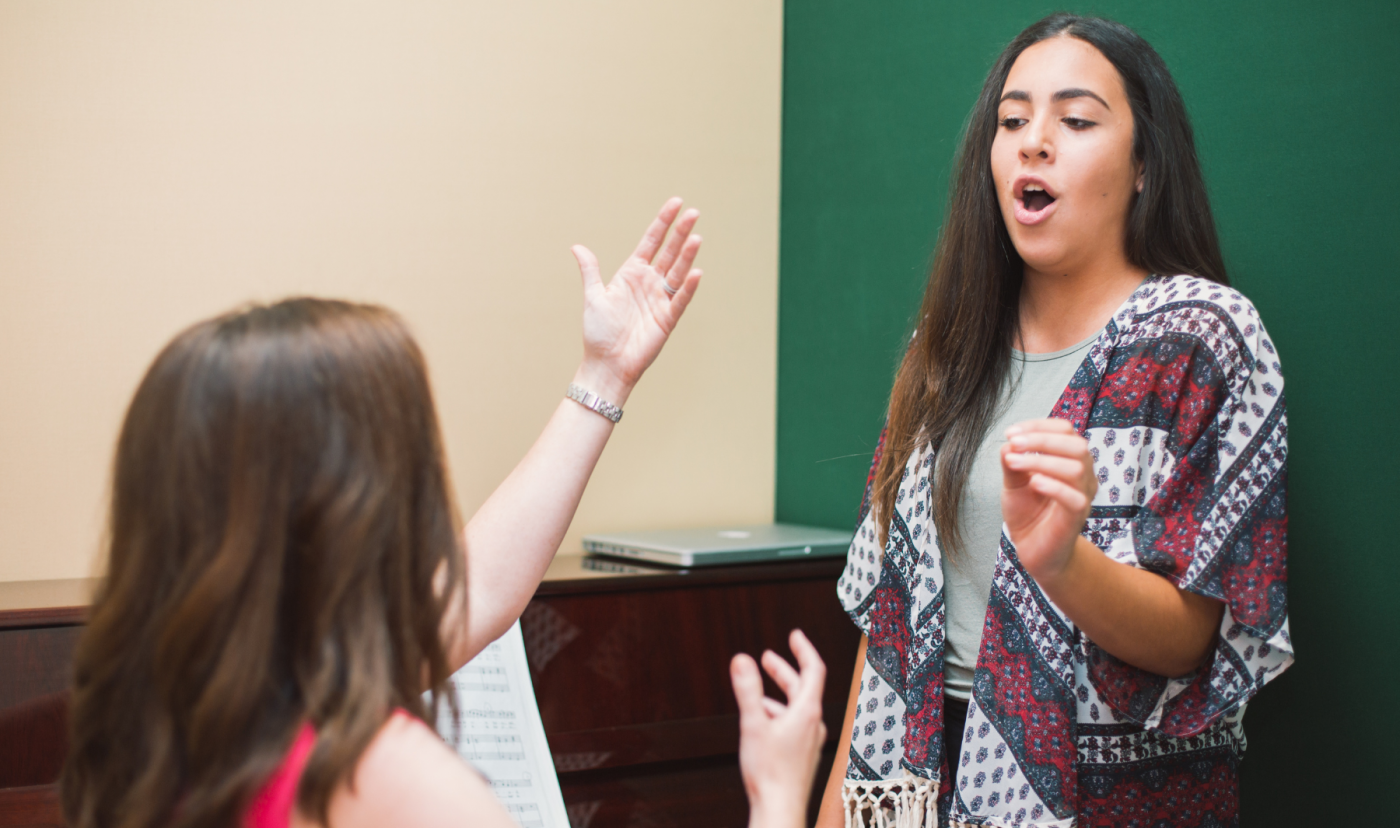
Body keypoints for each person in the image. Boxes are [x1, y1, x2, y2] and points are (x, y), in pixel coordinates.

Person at [57, 198, 828, 828]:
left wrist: (605, 377)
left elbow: (480, 590)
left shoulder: (160, 714)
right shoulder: (377, 775)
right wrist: (777, 797)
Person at [815, 14, 1291, 828]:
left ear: (1144, 165)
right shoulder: (945, 346)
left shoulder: (1203, 336)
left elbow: (1192, 638)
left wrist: (1063, 561)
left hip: (1107, 795)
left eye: (1075, 120)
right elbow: (885, 621)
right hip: (919, 772)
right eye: (1012, 121)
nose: (1034, 142)